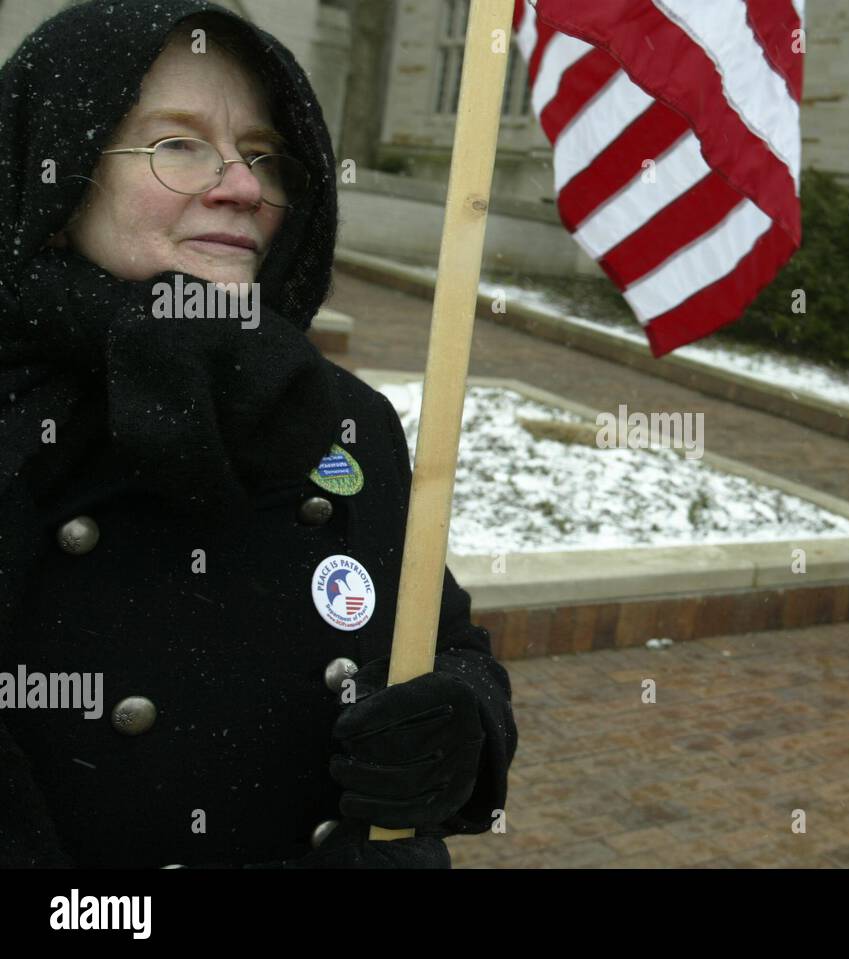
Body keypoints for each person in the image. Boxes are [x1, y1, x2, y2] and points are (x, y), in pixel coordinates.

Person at [0, 0, 516, 867]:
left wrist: (462, 721)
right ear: (57, 177)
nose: (243, 186)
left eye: (264, 156)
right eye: (178, 144)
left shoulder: (343, 419)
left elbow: (444, 640)